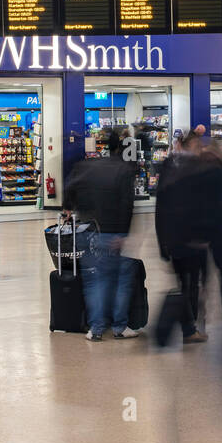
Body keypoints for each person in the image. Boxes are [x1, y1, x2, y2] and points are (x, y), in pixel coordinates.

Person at [63, 130, 141, 341]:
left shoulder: (86, 166)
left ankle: (95, 329)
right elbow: (127, 204)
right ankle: (119, 327)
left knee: (95, 281)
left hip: (88, 231)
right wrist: (123, 233)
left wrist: (68, 208)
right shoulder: (123, 170)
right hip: (114, 232)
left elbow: (69, 186)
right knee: (121, 280)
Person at [154, 130, 222, 344]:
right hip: (193, 238)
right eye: (197, 146)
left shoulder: (169, 168)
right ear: (190, 146)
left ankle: (189, 324)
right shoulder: (197, 170)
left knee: (185, 282)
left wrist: (162, 243)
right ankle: (189, 327)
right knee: (192, 283)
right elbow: (205, 207)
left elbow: (161, 208)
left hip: (174, 237)